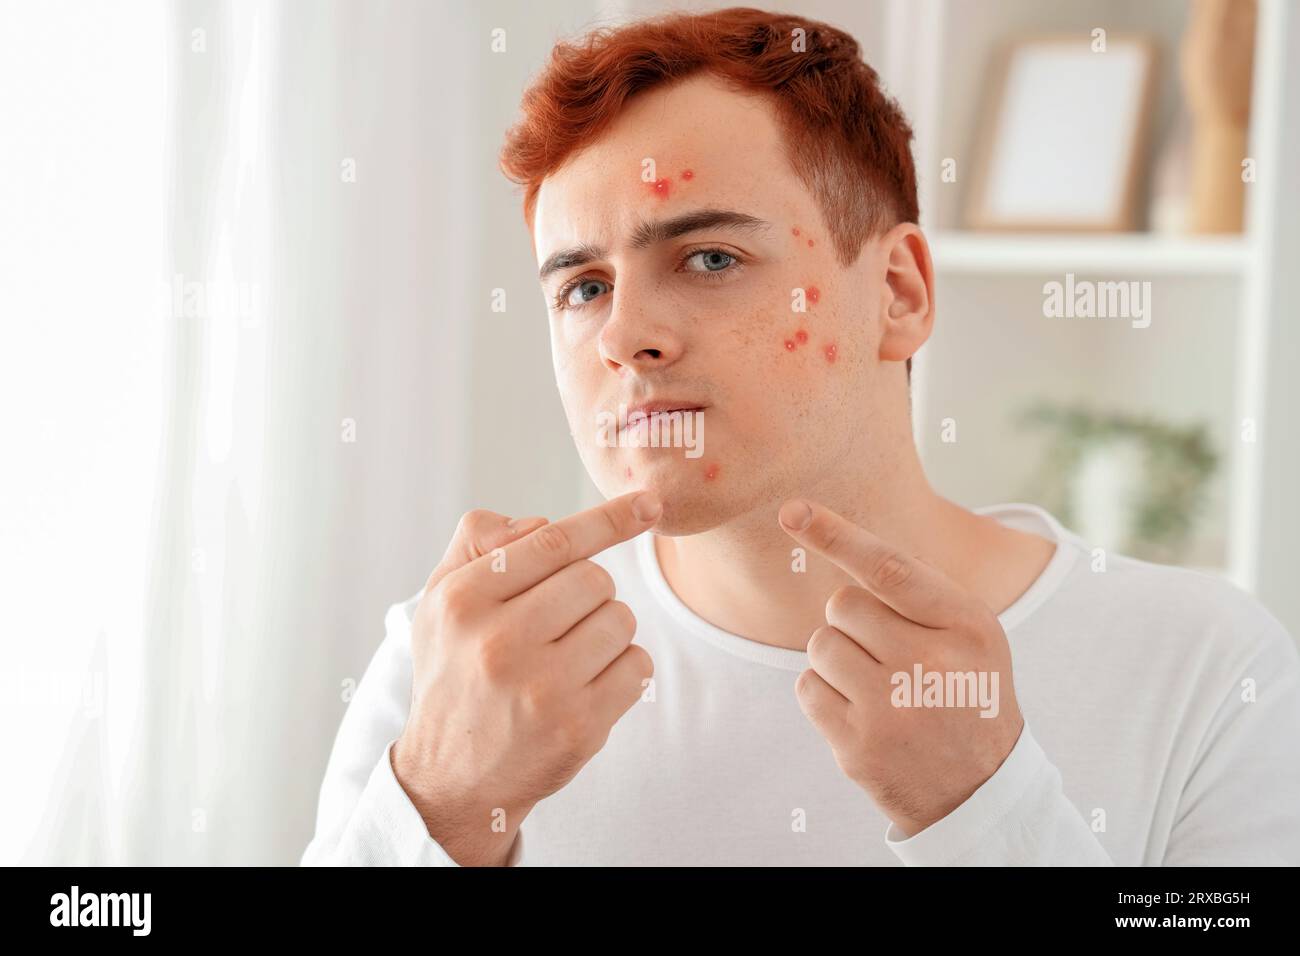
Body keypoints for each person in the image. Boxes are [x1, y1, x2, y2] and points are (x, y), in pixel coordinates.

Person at [301, 7, 1300, 866]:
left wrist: (987, 810)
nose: (622, 334)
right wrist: (437, 804)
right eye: (583, 286)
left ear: (898, 293)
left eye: (708, 256)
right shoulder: (451, 661)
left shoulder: (1208, 669)